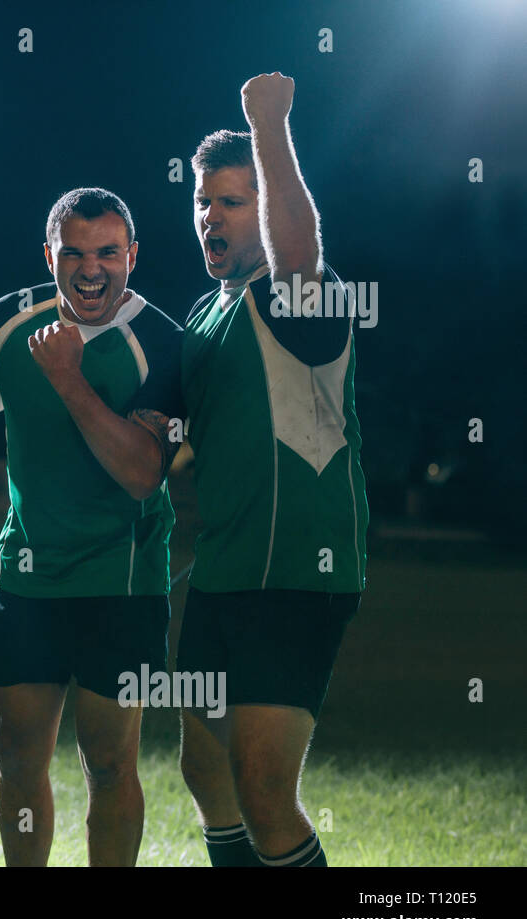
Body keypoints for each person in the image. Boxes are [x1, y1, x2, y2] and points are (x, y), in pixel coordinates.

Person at [177, 73, 368, 867]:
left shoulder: (297, 298)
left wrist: (270, 126)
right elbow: (188, 444)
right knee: (204, 765)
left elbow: (300, 252)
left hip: (296, 569)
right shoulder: (206, 310)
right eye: (204, 202)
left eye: (232, 201)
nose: (212, 217)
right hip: (224, 568)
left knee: (262, 786)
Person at [0, 188, 184, 865]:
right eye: (74, 253)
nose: (91, 269)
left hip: (122, 583)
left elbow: (144, 472)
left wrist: (68, 378)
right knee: (17, 756)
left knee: (111, 764)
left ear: (132, 257)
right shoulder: (7, 323)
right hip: (27, 576)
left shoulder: (165, 343)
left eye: (108, 253)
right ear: (49, 255)